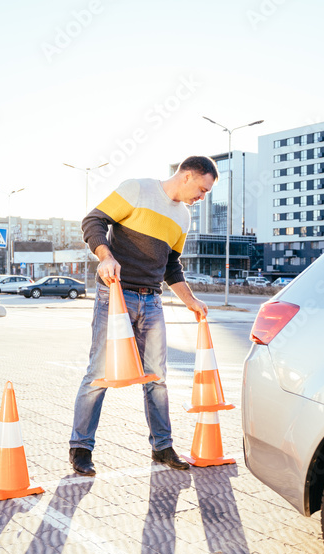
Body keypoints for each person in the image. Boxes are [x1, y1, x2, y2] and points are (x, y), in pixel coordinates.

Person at [68, 156, 217, 476]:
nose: (202, 197)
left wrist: (190, 299)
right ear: (187, 175)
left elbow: (171, 266)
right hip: (116, 296)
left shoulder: (184, 217)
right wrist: (105, 257)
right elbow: (92, 221)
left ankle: (162, 447)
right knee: (99, 372)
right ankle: (81, 447)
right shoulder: (138, 189)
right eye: (202, 189)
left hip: (151, 302)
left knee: (156, 377)